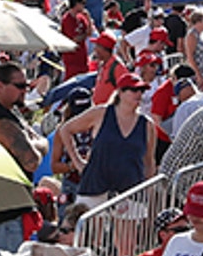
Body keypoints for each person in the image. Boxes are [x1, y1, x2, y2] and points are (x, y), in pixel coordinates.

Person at [0, 61, 47, 256]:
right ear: (0, 86)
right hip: (4, 210)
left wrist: (34, 142)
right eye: (20, 86)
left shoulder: (12, 113)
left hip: (13, 207)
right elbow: (31, 160)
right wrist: (39, 142)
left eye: (27, 85)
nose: (25, 90)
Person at [62, 79, 157, 212]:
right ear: (120, 92)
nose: (139, 94)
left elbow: (149, 163)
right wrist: (77, 162)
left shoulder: (147, 124)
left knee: (128, 226)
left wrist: (149, 195)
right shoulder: (101, 113)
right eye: (134, 90)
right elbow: (66, 129)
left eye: (141, 90)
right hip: (94, 187)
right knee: (86, 224)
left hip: (130, 191)